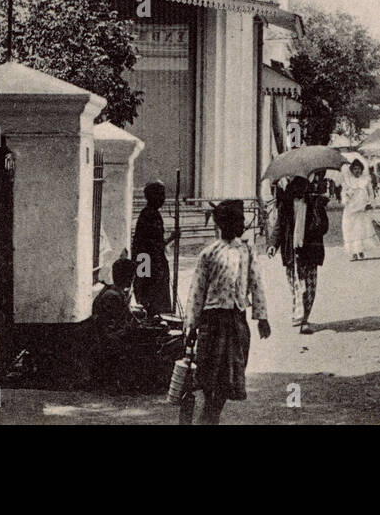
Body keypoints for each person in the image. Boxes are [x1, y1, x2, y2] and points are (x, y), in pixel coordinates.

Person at [182, 200, 270, 424]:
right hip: (211, 322)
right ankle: (209, 416)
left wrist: (262, 317)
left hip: (235, 322)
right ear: (224, 224)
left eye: (242, 221)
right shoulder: (209, 254)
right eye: (237, 220)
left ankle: (210, 416)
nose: (242, 225)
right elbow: (197, 292)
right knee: (208, 375)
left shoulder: (247, 250)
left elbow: (256, 282)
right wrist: (191, 326)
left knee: (229, 376)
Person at [268, 175, 329, 334]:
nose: (299, 192)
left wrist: (319, 211)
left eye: (302, 189)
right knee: (296, 286)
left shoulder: (315, 203)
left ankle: (303, 317)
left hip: (310, 251)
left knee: (309, 287)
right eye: (296, 189)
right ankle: (301, 318)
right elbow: (279, 227)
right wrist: (273, 245)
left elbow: (324, 228)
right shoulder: (286, 206)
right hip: (291, 251)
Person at [90, 257, 140, 391]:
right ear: (128, 278)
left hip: (107, 338)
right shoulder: (113, 296)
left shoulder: (112, 291)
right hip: (108, 342)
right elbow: (112, 329)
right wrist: (132, 329)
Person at [131, 180, 174, 317]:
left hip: (147, 261)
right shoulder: (150, 215)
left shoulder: (150, 214)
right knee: (149, 297)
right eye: (160, 195)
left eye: (163, 195)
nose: (163, 199)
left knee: (148, 296)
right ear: (151, 196)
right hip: (147, 262)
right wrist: (172, 238)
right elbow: (153, 244)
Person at [341, 156, 377, 260]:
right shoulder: (348, 182)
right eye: (355, 169)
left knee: (360, 230)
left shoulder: (366, 180)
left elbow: (371, 194)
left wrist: (370, 203)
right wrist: (346, 196)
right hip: (350, 210)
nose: (357, 171)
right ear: (351, 170)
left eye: (359, 169)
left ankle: (360, 250)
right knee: (350, 231)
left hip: (361, 209)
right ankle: (353, 252)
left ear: (362, 169)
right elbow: (343, 195)